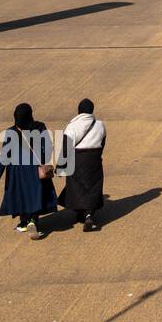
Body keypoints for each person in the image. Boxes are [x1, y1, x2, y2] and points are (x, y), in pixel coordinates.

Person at [0, 103, 58, 240]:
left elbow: (5, 155)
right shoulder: (40, 127)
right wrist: (43, 160)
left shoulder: (12, 131)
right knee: (36, 193)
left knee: (21, 194)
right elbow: (48, 148)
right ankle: (33, 220)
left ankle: (23, 222)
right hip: (34, 168)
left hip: (17, 171)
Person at [58, 99, 106, 232]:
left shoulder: (72, 126)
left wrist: (61, 167)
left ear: (79, 110)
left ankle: (81, 213)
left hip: (77, 160)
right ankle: (89, 214)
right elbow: (102, 143)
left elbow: (66, 149)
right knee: (93, 187)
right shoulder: (100, 125)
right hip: (94, 160)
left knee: (76, 188)